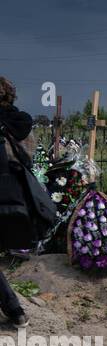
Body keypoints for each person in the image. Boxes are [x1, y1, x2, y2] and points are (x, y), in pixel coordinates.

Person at [0, 77, 33, 325]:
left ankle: (14, 309)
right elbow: (29, 162)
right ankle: (15, 310)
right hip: (17, 201)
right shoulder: (22, 125)